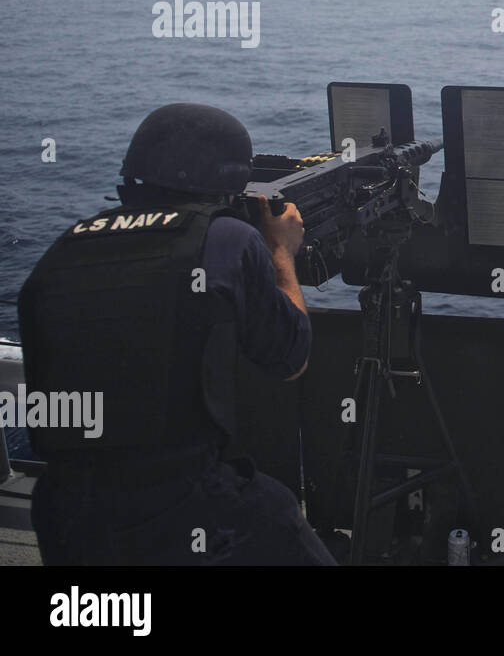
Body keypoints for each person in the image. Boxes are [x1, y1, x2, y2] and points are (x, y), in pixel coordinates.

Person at [18, 103, 337, 565]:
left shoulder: (66, 246)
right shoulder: (228, 238)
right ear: (228, 186)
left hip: (63, 510)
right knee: (278, 513)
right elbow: (291, 358)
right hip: (177, 501)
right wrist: (280, 251)